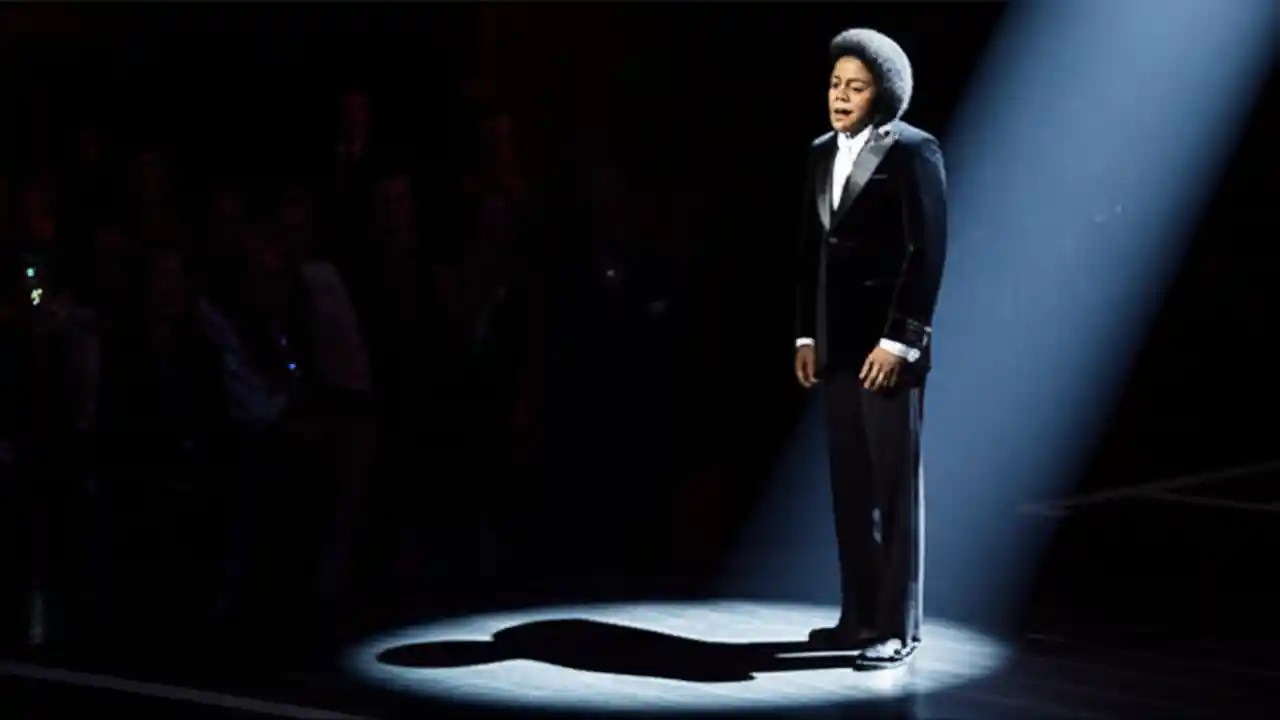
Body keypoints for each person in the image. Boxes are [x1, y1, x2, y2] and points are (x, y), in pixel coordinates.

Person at [793, 27, 947, 669]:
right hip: (836, 348)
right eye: (835, 84)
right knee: (849, 488)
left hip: (886, 351)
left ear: (883, 92)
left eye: (856, 87)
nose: (841, 96)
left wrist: (901, 340)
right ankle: (857, 615)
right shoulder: (819, 152)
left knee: (893, 487)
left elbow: (928, 250)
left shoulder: (914, 151)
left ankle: (897, 627)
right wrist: (807, 332)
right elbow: (809, 252)